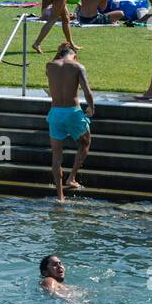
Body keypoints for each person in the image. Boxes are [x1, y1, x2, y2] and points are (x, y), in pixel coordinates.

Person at [45, 44, 95, 202]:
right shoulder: (78, 67)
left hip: (55, 113)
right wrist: (91, 108)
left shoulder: (50, 65)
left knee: (56, 155)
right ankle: (71, 177)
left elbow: (54, 65)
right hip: (72, 112)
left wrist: (58, 52)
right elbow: (87, 91)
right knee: (85, 143)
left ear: (59, 54)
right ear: (75, 56)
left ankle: (60, 197)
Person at [39, 255, 111, 304]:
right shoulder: (49, 280)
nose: (59, 266)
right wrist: (70, 303)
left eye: (60, 263)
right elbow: (51, 292)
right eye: (54, 264)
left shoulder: (65, 286)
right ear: (45, 272)